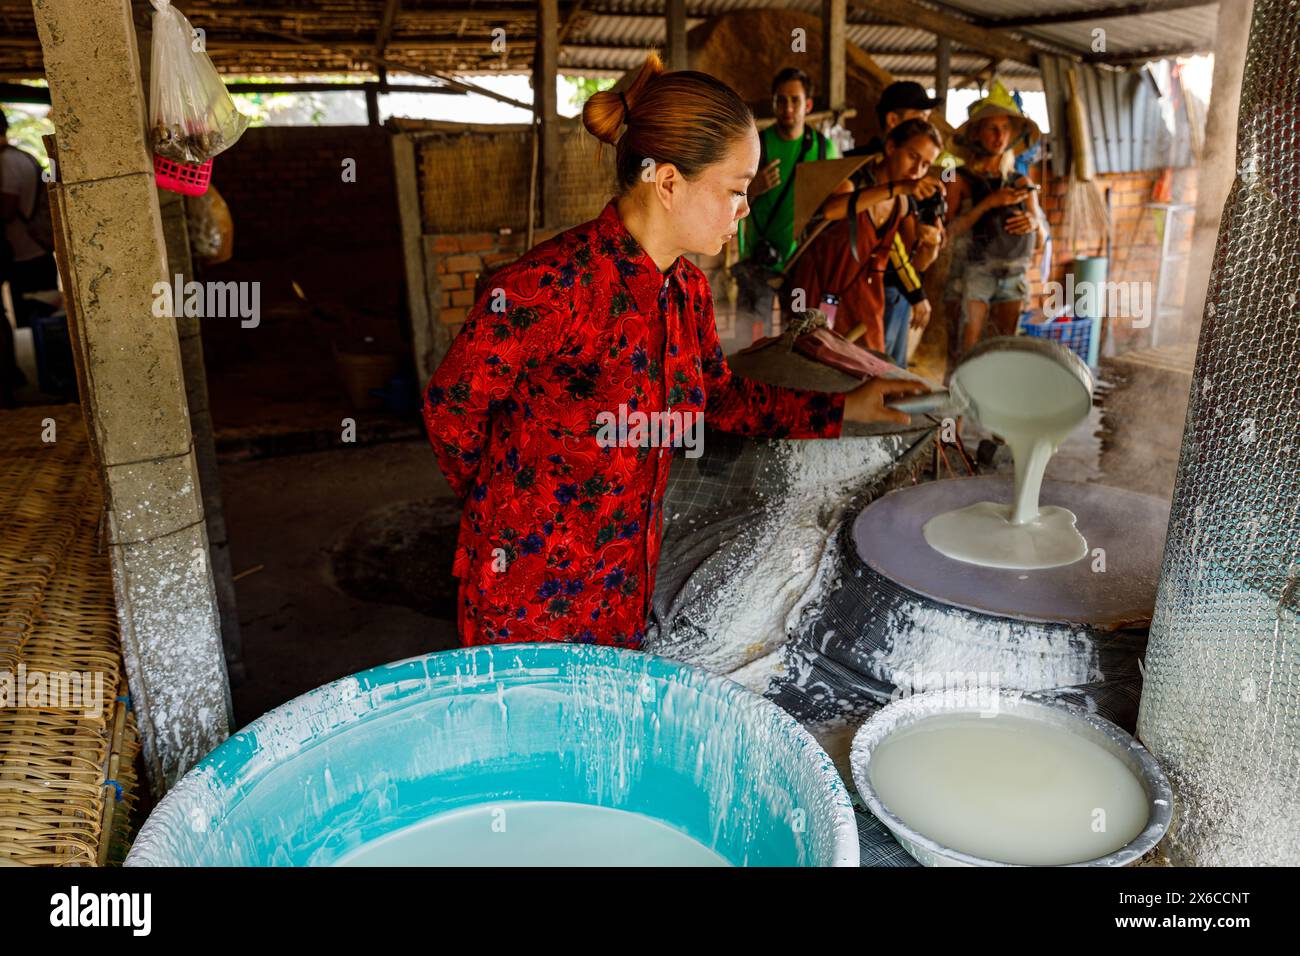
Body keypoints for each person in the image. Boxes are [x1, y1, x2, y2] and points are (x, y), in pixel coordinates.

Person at [421, 54, 926, 648]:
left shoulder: (686, 290)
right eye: (736, 190)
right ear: (667, 183)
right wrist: (512, 507)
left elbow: (719, 397)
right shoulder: (548, 287)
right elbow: (450, 409)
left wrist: (847, 410)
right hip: (527, 592)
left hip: (625, 580)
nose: (745, 210)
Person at [784, 119, 945, 355]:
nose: (917, 171)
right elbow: (832, 210)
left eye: (925, 165)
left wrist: (933, 245)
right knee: (813, 373)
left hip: (866, 306)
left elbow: (909, 259)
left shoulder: (900, 204)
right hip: (819, 296)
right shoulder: (853, 181)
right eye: (913, 156)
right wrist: (898, 188)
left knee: (871, 375)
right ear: (891, 148)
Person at [734, 67, 846, 332]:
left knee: (797, 336)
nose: (788, 107)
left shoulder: (822, 148)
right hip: (758, 261)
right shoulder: (756, 145)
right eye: (781, 100)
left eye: (795, 100)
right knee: (751, 338)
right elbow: (729, 197)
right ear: (773, 103)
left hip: (801, 262)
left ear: (807, 104)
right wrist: (754, 187)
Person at [844, 82, 945, 367]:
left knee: (890, 370)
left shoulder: (913, 179)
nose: (926, 126)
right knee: (873, 369)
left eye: (925, 163)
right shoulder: (860, 170)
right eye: (920, 119)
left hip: (897, 288)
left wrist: (932, 240)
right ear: (892, 121)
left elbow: (903, 248)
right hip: (868, 290)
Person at [943, 84, 1046, 357]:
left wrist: (1033, 224)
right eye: (992, 128)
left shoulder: (1021, 181)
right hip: (974, 273)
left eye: (1005, 128)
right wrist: (989, 204)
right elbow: (948, 232)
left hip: (1014, 274)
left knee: (1003, 352)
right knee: (966, 351)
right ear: (976, 133)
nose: (999, 135)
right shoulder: (958, 178)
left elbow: (1041, 233)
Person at [1, 110, 57, 407]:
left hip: (26, 252)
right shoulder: (21, 158)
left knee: (38, 320)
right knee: (38, 318)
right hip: (33, 250)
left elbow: (6, 210)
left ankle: (48, 381)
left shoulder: (7, 163)